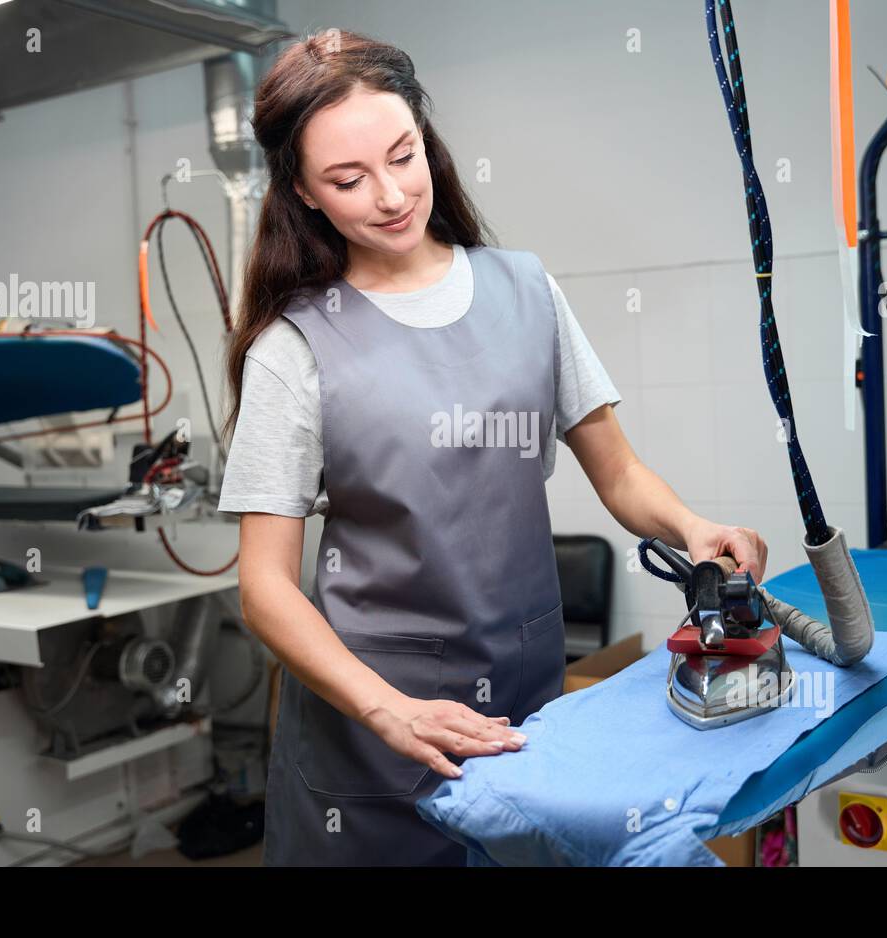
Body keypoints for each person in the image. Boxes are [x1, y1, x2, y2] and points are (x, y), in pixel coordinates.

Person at [217, 29, 769, 866]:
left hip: (522, 704)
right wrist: (386, 711)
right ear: (303, 191)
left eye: (404, 156)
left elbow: (616, 471)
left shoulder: (526, 290)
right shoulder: (295, 349)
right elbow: (263, 587)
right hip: (369, 735)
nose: (392, 195)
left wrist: (689, 527)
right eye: (348, 179)